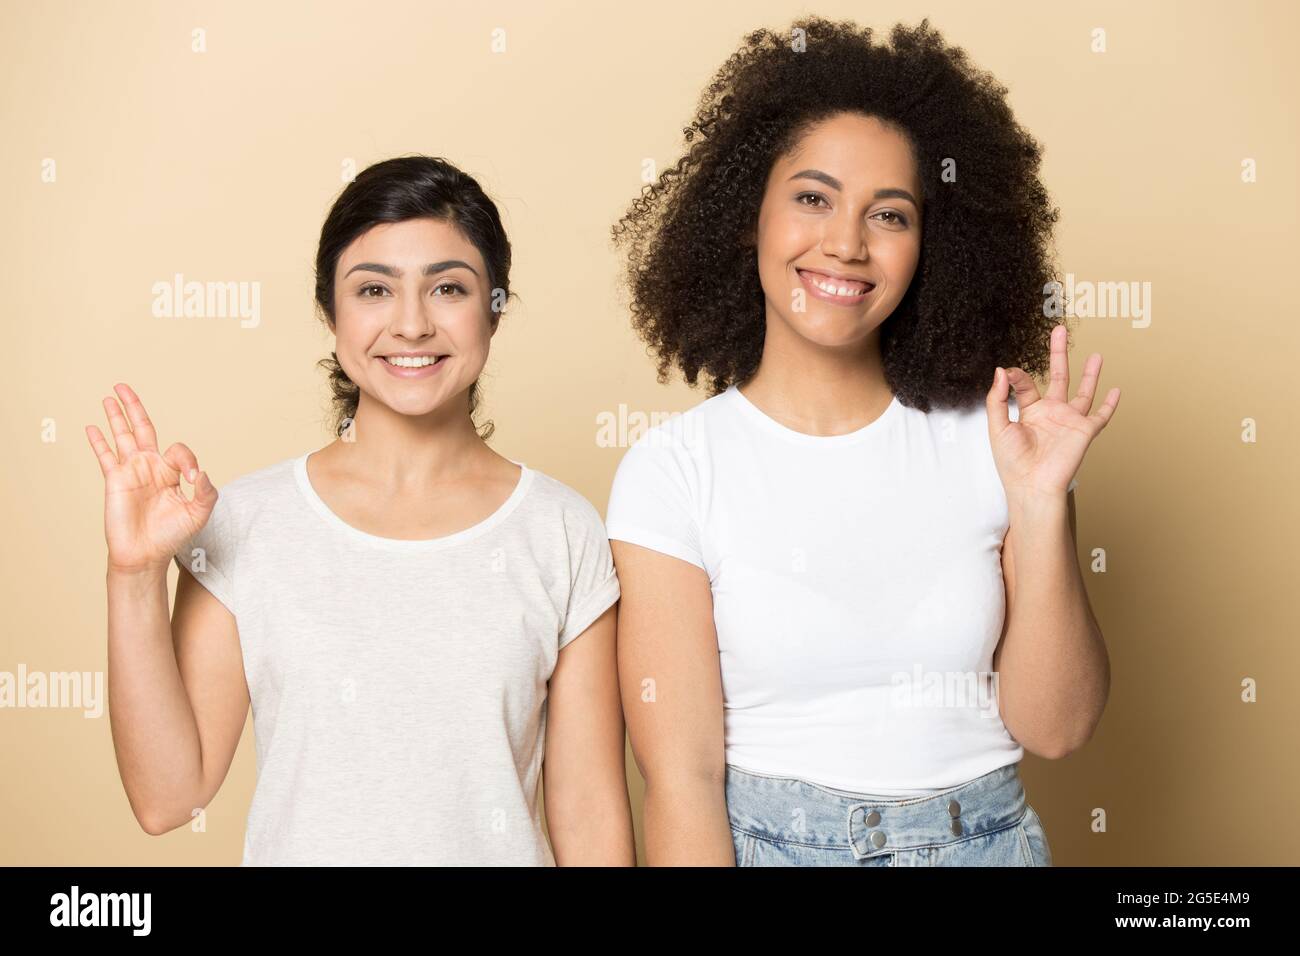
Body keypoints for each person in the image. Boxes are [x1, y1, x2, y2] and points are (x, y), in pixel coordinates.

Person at [605, 17, 1118, 866]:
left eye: (890, 214)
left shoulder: (1000, 445)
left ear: (930, 248)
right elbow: (683, 783)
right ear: (747, 219)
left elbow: (1058, 728)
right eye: (812, 198)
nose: (846, 243)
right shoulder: (672, 472)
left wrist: (1039, 506)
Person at [88, 156, 634, 866]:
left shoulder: (561, 531)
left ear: (495, 307)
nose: (411, 324)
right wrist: (134, 576)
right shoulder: (244, 523)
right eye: (374, 289)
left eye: (448, 288)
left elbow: (589, 816)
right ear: (331, 313)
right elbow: (168, 798)